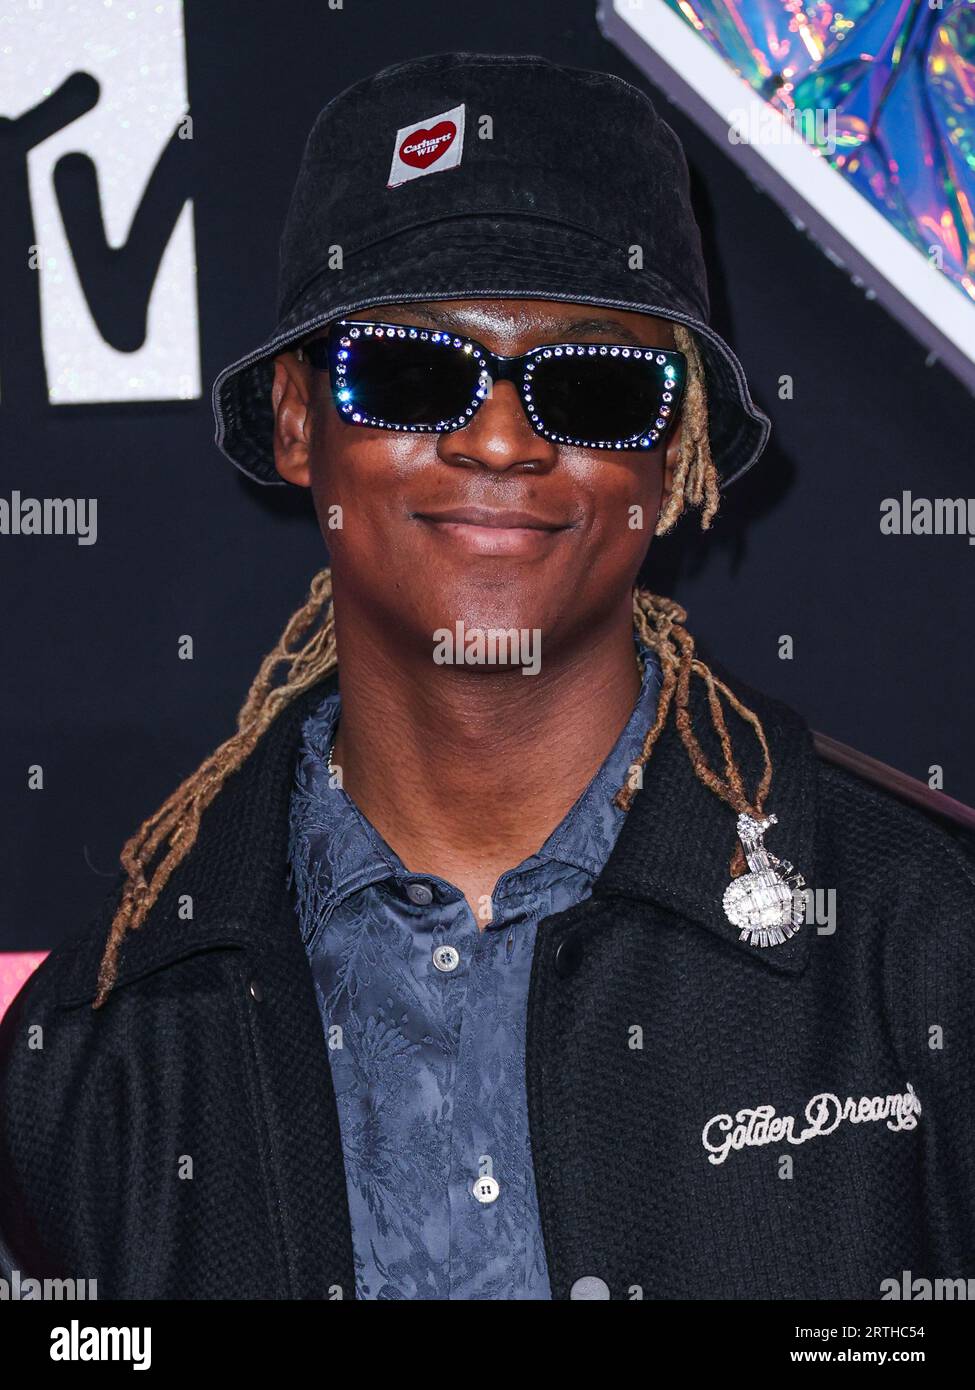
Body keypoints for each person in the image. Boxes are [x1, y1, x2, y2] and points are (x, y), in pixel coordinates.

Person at [1, 51, 973, 1302]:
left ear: (672, 455)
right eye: (413, 367)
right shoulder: (95, 1047)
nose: (502, 438)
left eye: (594, 384)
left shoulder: (930, 941)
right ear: (298, 421)